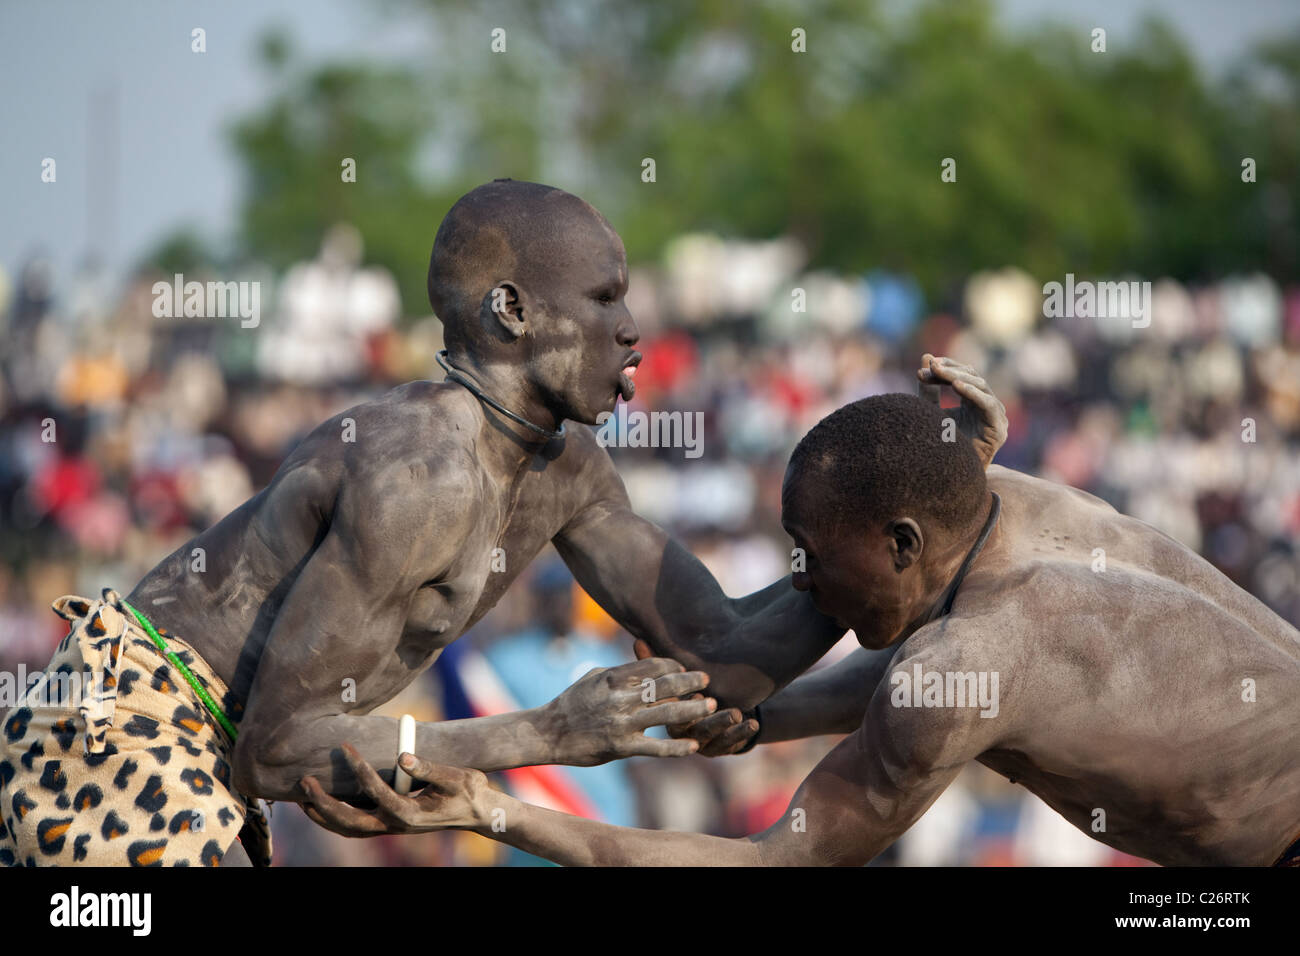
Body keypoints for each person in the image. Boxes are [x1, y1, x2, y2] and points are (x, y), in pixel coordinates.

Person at [0, 179, 1007, 867]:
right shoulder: (418, 471)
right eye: (604, 298)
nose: (632, 329)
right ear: (513, 312)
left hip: (196, 751)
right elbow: (273, 750)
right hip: (118, 729)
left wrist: (926, 514)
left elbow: (724, 652)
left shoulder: (567, 468)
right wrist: (543, 732)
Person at [307, 392, 1300, 867]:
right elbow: (948, 673)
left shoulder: (971, 657)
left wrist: (496, 809)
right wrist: (765, 719)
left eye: (812, 553)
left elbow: (769, 864)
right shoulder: (1021, 512)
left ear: (905, 539)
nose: (803, 582)